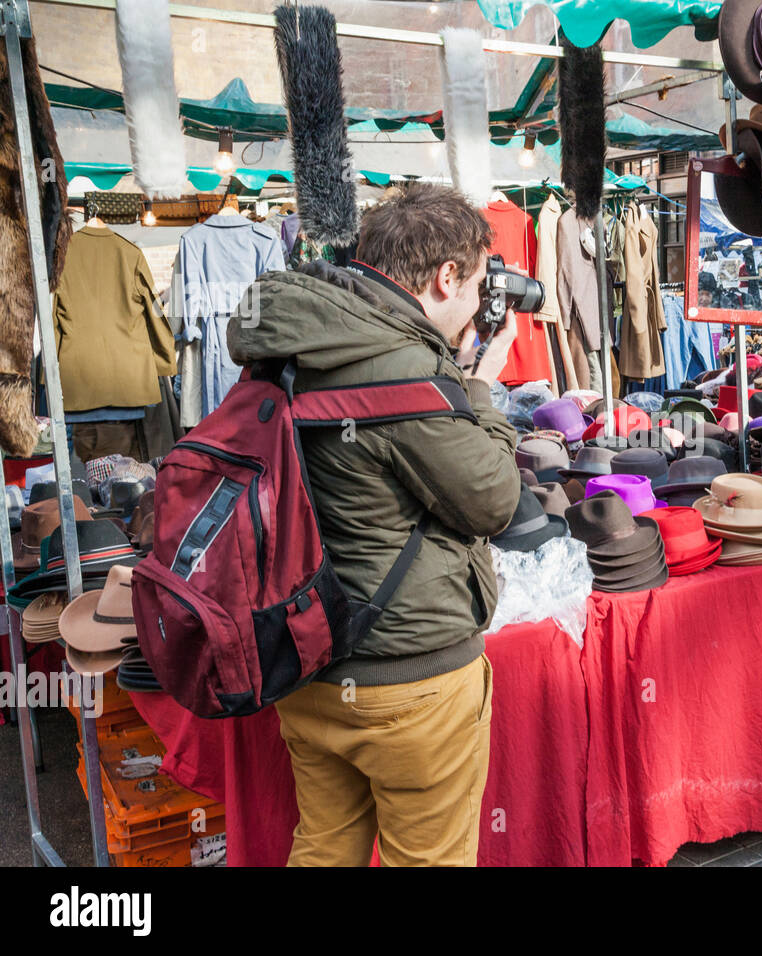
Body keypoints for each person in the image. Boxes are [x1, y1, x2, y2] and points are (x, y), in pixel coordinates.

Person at [227, 184, 521, 865]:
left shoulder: (290, 347)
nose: (480, 302)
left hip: (304, 660)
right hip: (410, 680)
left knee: (325, 847)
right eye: (477, 283)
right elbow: (493, 499)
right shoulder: (407, 371)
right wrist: (481, 385)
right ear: (447, 277)